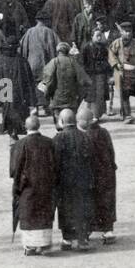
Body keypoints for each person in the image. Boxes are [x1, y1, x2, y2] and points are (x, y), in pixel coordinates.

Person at [12, 115, 57, 255]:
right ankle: (44, 245)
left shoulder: (19, 145)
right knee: (44, 214)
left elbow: (14, 170)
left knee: (28, 214)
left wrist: (17, 188)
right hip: (46, 187)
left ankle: (30, 246)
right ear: (39, 126)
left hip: (27, 188)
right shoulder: (49, 143)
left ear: (26, 127)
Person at [52, 108, 96, 250]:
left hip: (65, 182)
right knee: (82, 208)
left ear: (62, 122)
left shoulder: (57, 139)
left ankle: (67, 239)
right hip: (83, 180)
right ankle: (82, 239)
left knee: (65, 209)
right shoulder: (85, 137)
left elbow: (55, 163)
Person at [82, 105, 118, 245]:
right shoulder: (104, 133)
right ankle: (108, 231)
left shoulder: (85, 135)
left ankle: (87, 230)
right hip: (107, 173)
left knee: (90, 202)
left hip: (92, 174)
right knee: (107, 202)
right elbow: (111, 152)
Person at [0, 40, 36, 143]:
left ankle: (11, 133)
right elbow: (29, 81)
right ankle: (16, 131)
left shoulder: (0, 61)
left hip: (5, 90)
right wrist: (31, 98)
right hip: (18, 92)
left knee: (7, 111)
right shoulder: (22, 61)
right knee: (19, 112)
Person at [20, 11, 58, 116]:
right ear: (46, 20)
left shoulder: (29, 32)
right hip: (46, 64)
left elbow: (22, 48)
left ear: (37, 20)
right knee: (45, 84)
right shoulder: (50, 32)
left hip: (31, 64)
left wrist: (25, 61)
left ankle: (34, 107)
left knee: (33, 86)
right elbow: (56, 48)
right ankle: (45, 107)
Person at [41, 41, 88, 126]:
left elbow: (48, 80)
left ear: (58, 51)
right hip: (71, 99)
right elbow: (84, 80)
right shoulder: (73, 62)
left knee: (59, 121)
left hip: (57, 99)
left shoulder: (53, 62)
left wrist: (47, 94)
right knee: (70, 121)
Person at [108, 21, 135, 124]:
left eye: (129, 31)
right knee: (124, 93)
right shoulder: (116, 43)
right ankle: (127, 115)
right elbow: (111, 54)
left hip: (132, 73)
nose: (128, 33)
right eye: (125, 31)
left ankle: (124, 113)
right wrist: (116, 63)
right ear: (121, 32)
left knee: (128, 93)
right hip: (120, 72)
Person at [81, 24, 112, 122]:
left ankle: (97, 115)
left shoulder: (104, 47)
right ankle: (91, 115)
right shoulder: (86, 47)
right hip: (90, 74)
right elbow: (83, 61)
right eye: (97, 35)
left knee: (100, 95)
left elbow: (108, 61)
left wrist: (109, 74)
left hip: (101, 73)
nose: (99, 37)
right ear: (91, 36)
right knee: (91, 96)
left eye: (100, 35)